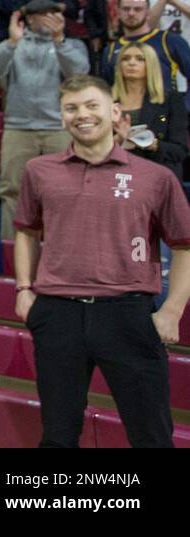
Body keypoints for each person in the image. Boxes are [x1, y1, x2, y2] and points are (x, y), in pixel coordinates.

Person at [14, 75, 190, 448]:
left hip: (129, 316)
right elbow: (27, 231)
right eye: (71, 108)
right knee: (58, 434)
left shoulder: (155, 177)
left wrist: (172, 309)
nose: (82, 115)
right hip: (57, 314)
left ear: (114, 112)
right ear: (62, 117)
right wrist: (24, 289)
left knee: (152, 435)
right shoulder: (38, 170)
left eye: (92, 105)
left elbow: (185, 245)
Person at [0, 0, 88, 239]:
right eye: (44, 15)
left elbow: (80, 74)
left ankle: (64, 248)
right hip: (18, 128)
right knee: (12, 190)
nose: (50, 18)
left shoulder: (72, 45)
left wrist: (60, 40)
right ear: (29, 19)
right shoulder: (12, 45)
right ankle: (11, 251)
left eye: (54, 13)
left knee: (65, 191)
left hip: (59, 128)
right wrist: (11, 43)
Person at [100, 0, 190, 107]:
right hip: (127, 115)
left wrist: (185, 107)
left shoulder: (169, 40)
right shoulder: (111, 49)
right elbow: (106, 87)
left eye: (138, 9)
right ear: (118, 12)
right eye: (126, 9)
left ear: (147, 12)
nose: (131, 13)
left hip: (163, 114)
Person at [112, 43, 188, 178]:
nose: (131, 63)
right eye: (126, 58)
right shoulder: (106, 101)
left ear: (151, 64)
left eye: (140, 59)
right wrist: (118, 138)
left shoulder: (171, 100)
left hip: (156, 171)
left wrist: (152, 144)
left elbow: (179, 151)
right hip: (115, 172)